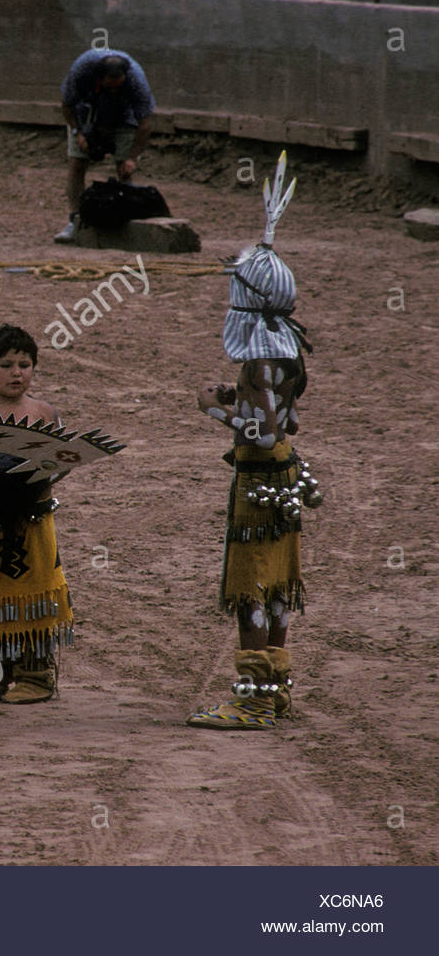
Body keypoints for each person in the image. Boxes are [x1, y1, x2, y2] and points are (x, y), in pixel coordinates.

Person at [188, 155, 311, 729]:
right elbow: (286, 421)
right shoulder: (288, 353)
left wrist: (214, 407)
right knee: (278, 585)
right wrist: (238, 398)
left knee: (252, 590)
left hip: (261, 482)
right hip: (285, 478)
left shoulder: (260, 360)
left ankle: (253, 700)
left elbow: (261, 433)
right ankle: (274, 688)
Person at [0, 325, 73, 703]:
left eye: (25, 365)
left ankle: (36, 675)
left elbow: (63, 462)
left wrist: (37, 479)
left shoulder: (44, 413)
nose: (17, 373)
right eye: (6, 365)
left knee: (35, 591)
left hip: (34, 520)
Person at [55, 50, 155, 243]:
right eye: (109, 86)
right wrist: (78, 133)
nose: (114, 91)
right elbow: (67, 105)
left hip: (124, 115)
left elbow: (145, 124)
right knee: (77, 164)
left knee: (124, 170)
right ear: (98, 78)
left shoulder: (137, 81)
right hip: (86, 112)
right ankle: (75, 221)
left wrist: (132, 158)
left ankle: (125, 222)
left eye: (118, 86)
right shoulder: (80, 71)